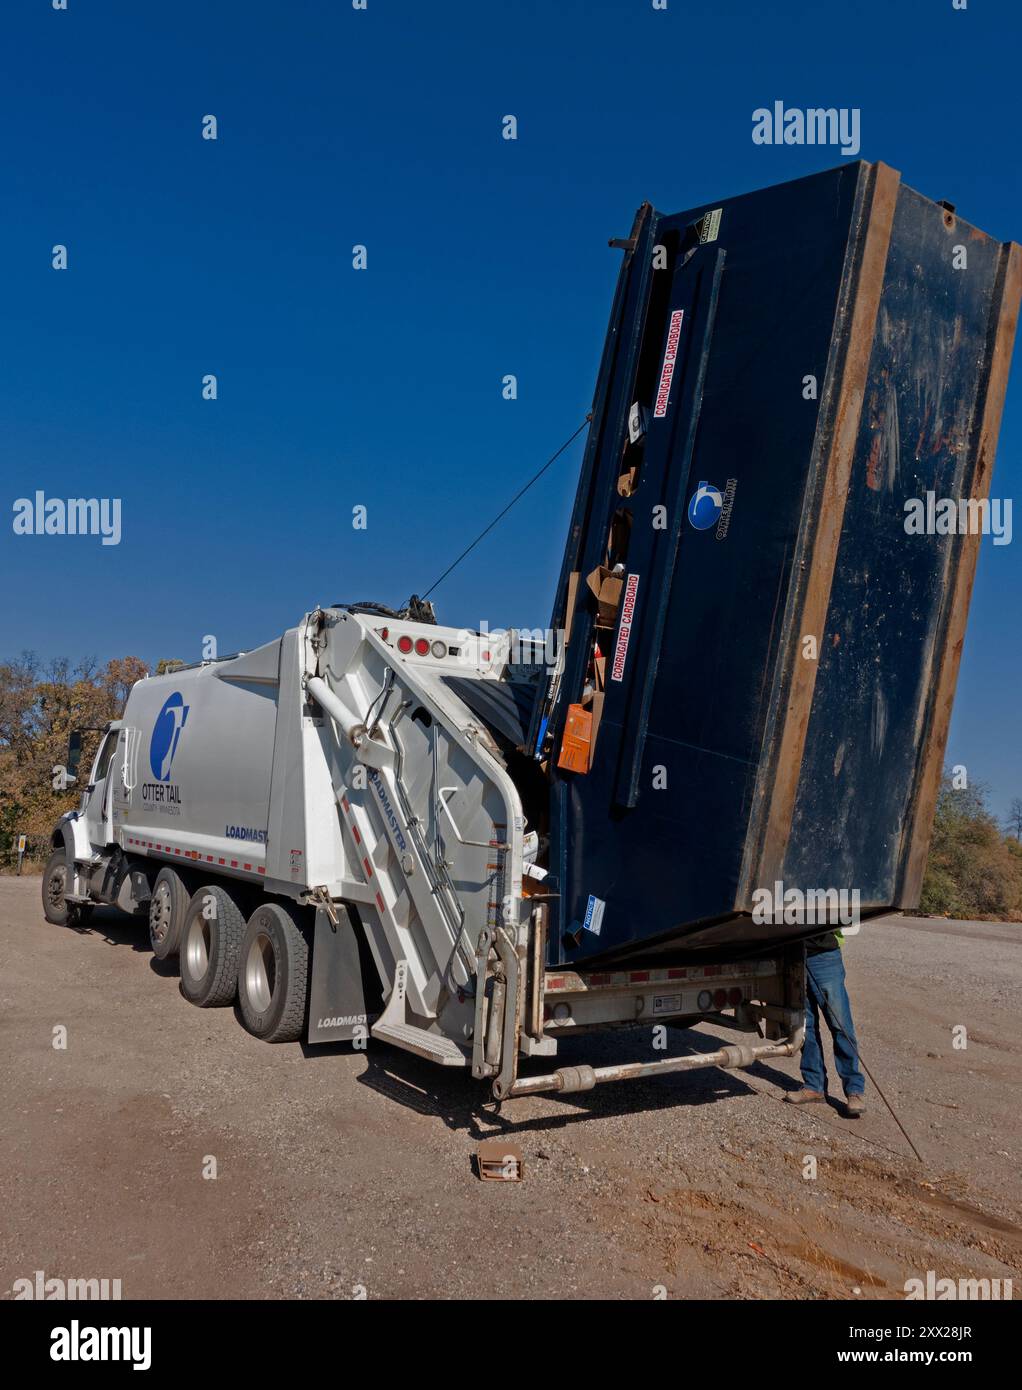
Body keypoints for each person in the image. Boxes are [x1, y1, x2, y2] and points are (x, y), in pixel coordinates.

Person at [785, 930, 866, 1116]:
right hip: (793, 958)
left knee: (841, 1026)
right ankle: (814, 1086)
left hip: (824, 957)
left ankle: (854, 1091)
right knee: (805, 1028)